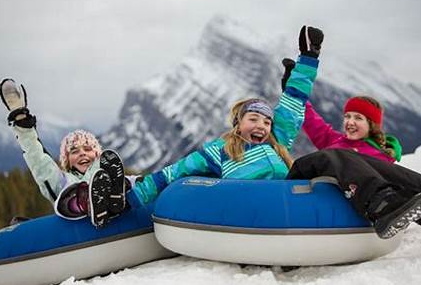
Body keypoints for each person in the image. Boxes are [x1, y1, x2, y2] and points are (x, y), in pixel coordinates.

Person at [280, 59, 421, 239]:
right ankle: (382, 204)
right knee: (340, 154)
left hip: (343, 198)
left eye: (358, 118)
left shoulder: (378, 155)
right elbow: (309, 117)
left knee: (380, 170)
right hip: (304, 180)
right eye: (347, 116)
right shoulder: (332, 141)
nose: (350, 122)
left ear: (372, 125)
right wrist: (292, 90)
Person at [131, 26, 323, 206]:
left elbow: (294, 102)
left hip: (283, 207)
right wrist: (134, 197)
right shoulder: (220, 151)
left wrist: (308, 57)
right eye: (253, 119)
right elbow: (174, 172)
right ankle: (128, 187)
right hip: (246, 211)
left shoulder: (276, 143)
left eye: (266, 122)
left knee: (322, 162)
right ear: (238, 125)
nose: (261, 125)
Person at [0, 80, 132, 228]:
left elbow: (147, 184)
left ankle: (114, 200)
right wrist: (21, 120)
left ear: (97, 154)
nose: (82, 153)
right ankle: (89, 202)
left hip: (116, 197)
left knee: (128, 184)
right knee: (71, 193)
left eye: (87, 149)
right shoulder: (61, 181)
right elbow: (38, 159)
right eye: (74, 151)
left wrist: (160, 178)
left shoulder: (115, 175)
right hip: (78, 221)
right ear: (67, 160)